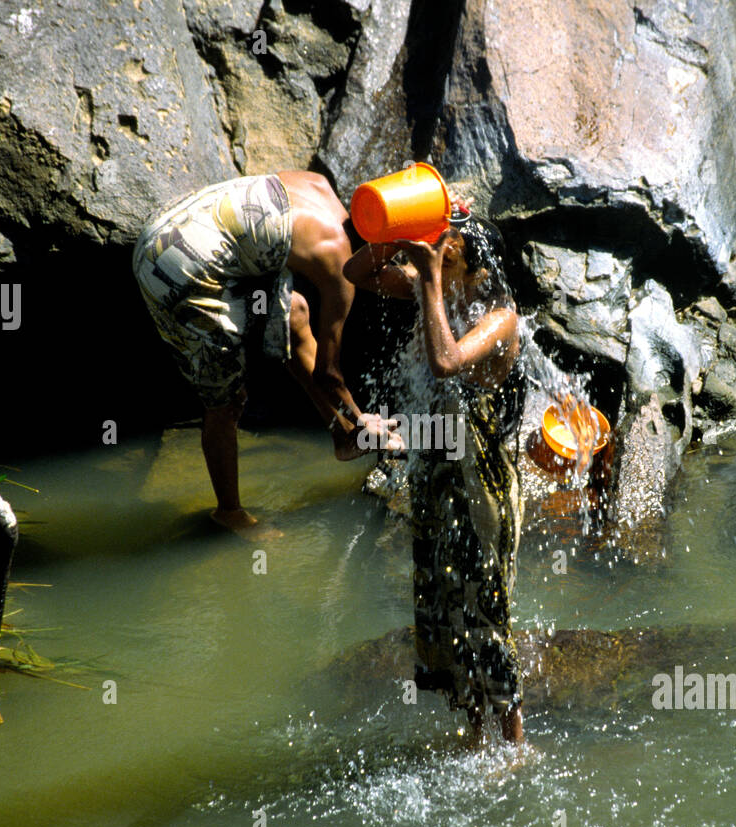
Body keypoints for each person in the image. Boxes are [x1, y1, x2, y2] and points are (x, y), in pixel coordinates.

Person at [344, 210, 527, 743]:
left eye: (447, 246)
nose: (437, 250)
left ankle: (514, 742)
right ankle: (474, 733)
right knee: (443, 606)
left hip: (482, 489)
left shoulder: (500, 318)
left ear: (475, 262)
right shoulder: (436, 288)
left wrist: (426, 277)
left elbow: (447, 362)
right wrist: (396, 234)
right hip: (434, 475)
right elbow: (357, 272)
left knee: (485, 610)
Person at [132, 171, 396, 536]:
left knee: (295, 314)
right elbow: (328, 373)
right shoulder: (339, 262)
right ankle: (230, 513)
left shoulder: (321, 187)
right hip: (177, 265)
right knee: (226, 400)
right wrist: (362, 417)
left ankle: (343, 436)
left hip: (179, 221)